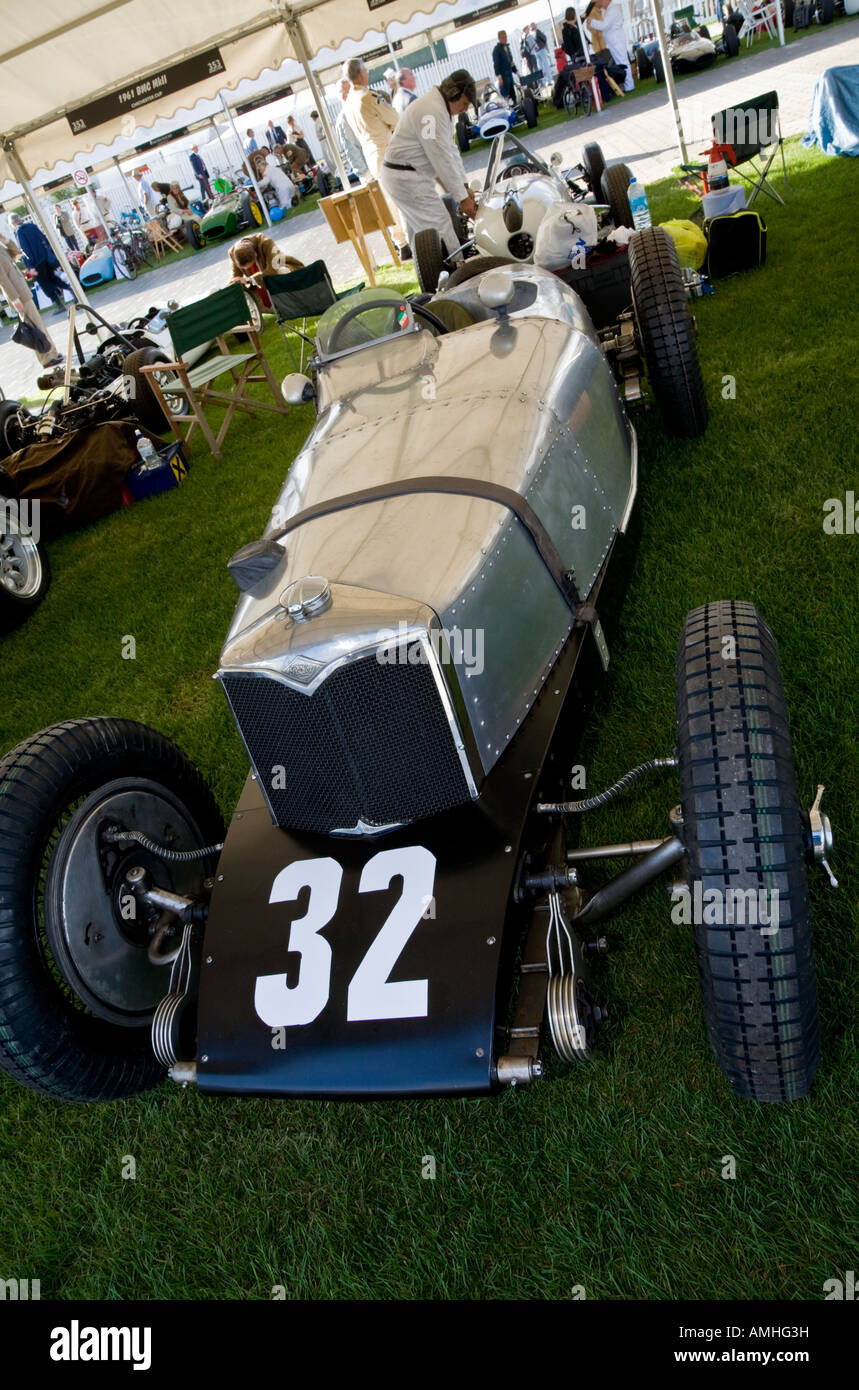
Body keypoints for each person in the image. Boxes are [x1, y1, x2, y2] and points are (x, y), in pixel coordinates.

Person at [379, 69, 478, 261]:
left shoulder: (438, 109)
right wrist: (462, 198)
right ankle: (458, 271)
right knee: (440, 225)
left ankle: (441, 272)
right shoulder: (430, 112)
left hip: (406, 175)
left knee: (429, 233)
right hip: (405, 177)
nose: (465, 109)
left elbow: (451, 151)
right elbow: (440, 158)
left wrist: (464, 187)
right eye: (465, 103)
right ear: (453, 94)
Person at [342, 58, 409, 252]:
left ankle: (401, 242)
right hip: (387, 150)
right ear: (361, 73)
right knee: (401, 197)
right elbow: (395, 119)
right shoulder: (368, 97)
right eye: (366, 71)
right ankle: (411, 237)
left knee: (389, 202)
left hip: (372, 156)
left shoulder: (348, 103)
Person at [0, 234, 63, 369]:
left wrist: (5, 240)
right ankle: (46, 358)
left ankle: (52, 353)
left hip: (22, 291)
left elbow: (17, 253)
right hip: (18, 295)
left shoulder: (1, 248)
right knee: (34, 327)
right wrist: (14, 298)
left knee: (38, 324)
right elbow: (3, 280)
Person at [9, 214, 68, 315]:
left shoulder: (19, 231)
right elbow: (44, 238)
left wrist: (29, 266)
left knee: (45, 284)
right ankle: (72, 291)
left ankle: (59, 304)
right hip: (45, 258)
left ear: (13, 223)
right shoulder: (32, 226)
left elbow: (24, 249)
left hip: (36, 262)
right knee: (53, 279)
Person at [588, 0, 634, 90]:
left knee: (623, 62)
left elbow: (604, 26)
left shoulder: (612, 10)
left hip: (616, 40)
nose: (601, 4)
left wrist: (592, 21)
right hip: (614, 40)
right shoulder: (610, 10)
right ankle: (627, 84)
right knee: (620, 62)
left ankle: (629, 86)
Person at [228, 233, 304, 282]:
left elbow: (273, 270)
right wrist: (235, 281)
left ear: (255, 254)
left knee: (281, 271)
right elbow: (236, 277)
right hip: (260, 281)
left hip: (283, 268)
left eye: (250, 266)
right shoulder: (232, 252)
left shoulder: (266, 242)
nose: (247, 269)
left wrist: (249, 279)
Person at [336, 79, 369, 177]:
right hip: (368, 171)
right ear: (343, 96)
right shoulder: (343, 119)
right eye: (351, 91)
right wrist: (365, 174)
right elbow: (351, 149)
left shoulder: (359, 109)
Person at [492, 30, 518, 100]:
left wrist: (516, 71)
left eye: (505, 37)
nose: (505, 39)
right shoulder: (496, 50)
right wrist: (499, 76)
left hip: (509, 73)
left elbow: (510, 61)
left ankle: (515, 105)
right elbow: (496, 64)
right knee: (506, 95)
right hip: (503, 75)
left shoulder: (507, 47)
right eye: (503, 37)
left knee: (513, 94)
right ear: (499, 38)